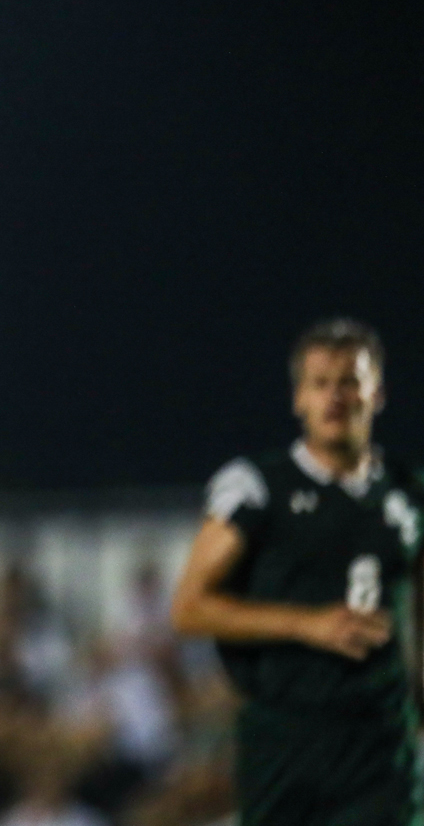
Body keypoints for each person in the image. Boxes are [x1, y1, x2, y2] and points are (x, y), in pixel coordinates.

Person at [170, 317, 421, 825]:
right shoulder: (259, 488)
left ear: (377, 393)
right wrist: (307, 624)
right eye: (320, 383)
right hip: (287, 737)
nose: (335, 397)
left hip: (379, 739)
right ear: (298, 399)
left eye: (350, 381)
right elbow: (189, 608)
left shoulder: (406, 491)